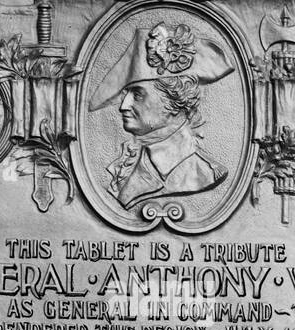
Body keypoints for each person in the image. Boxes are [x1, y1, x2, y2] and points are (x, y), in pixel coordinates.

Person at [89, 23, 234, 208]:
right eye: (126, 95)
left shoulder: (204, 173)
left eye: (138, 95)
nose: (124, 106)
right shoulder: (126, 164)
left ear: (174, 98)